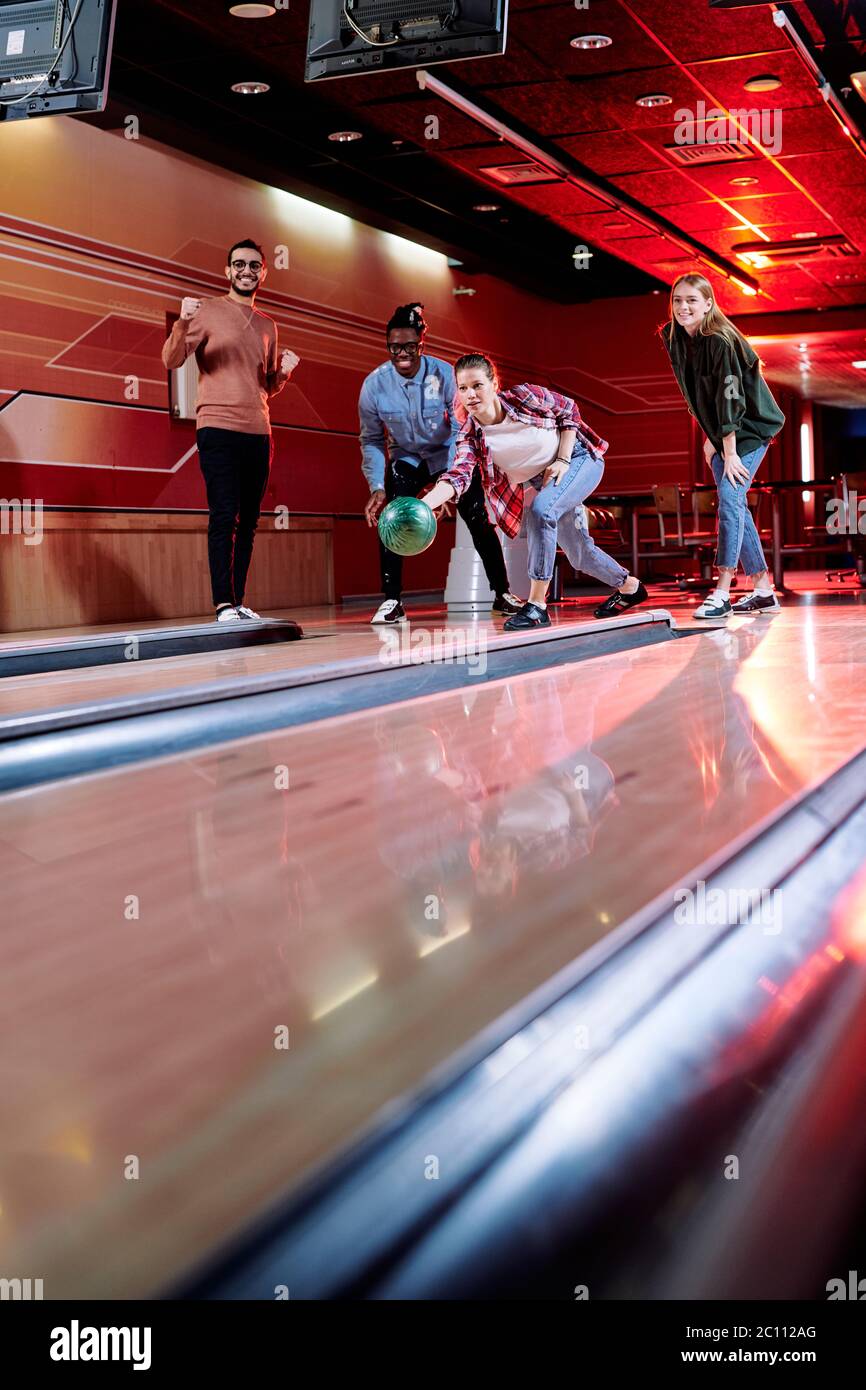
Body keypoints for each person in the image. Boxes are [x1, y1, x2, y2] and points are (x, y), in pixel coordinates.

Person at [420, 353, 647, 629]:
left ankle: (537, 605)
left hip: (579, 458)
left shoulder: (523, 397)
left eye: (477, 385)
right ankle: (630, 587)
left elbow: (569, 411)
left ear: (494, 384)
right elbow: (458, 476)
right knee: (580, 555)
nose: (471, 395)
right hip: (548, 482)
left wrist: (563, 459)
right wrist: (422, 505)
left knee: (541, 511)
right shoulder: (471, 435)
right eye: (463, 388)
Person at [161, 238, 300, 622]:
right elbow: (171, 359)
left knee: (250, 520)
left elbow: (265, 384)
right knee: (224, 514)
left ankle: (239, 601)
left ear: (263, 273)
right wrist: (183, 322)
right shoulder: (206, 311)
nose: (246, 271)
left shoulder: (268, 325)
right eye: (239, 264)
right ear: (228, 271)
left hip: (259, 430)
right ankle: (223, 603)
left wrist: (283, 375)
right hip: (217, 427)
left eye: (254, 265)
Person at [359, 304, 521, 624]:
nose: (401, 353)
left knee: (477, 518)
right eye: (394, 347)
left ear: (422, 342)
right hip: (406, 457)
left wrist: (444, 485)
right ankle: (392, 601)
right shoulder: (374, 385)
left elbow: (462, 429)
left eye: (409, 346)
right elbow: (372, 441)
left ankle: (502, 593)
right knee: (392, 519)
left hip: (448, 454)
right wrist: (377, 486)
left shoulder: (446, 374)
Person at [659, 272, 786, 619]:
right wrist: (709, 436)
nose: (683, 307)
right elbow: (698, 393)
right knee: (737, 507)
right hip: (722, 432)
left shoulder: (718, 340)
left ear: (708, 305)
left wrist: (727, 449)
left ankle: (723, 590)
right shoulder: (674, 337)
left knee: (729, 501)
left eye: (691, 301)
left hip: (750, 428)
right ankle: (763, 590)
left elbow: (730, 395)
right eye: (677, 300)